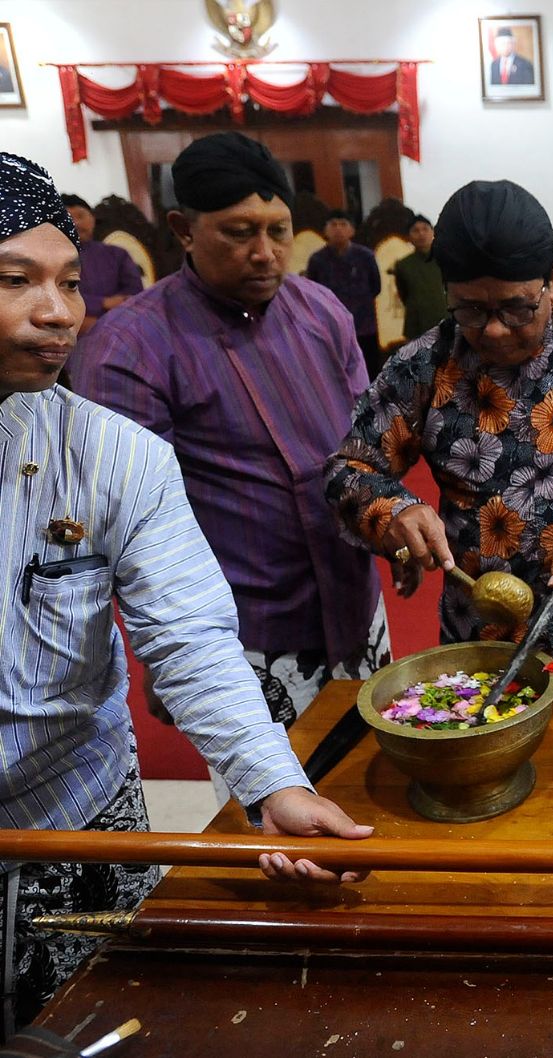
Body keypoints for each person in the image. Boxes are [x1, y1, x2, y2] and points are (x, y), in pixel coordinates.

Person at [0, 152, 372, 1034]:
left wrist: (273, 784)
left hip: (75, 823)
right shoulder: (138, 345)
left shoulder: (114, 455)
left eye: (66, 281)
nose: (56, 313)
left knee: (98, 1023)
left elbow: (191, 635)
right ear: (185, 233)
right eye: (16, 281)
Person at [72, 133, 386, 730]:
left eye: (279, 229)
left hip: (354, 604)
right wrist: (169, 659)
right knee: (273, 814)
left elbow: (362, 449)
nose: (266, 253)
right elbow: (128, 533)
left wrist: (386, 516)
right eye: (240, 233)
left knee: (377, 784)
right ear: (184, 229)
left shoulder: (322, 312)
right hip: (246, 637)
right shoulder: (128, 348)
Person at [327, 179, 553, 676]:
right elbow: (348, 469)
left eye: (517, 307)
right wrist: (394, 511)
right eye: (472, 310)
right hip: (477, 640)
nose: (494, 329)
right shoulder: (423, 365)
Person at [305, 209, 383, 376]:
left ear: (352, 230)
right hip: (330, 328)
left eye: (343, 224)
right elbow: (312, 293)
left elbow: (376, 288)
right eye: (333, 225)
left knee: (369, 372)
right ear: (325, 230)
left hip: (364, 325)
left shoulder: (366, 256)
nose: (338, 229)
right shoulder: (317, 260)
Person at [59, 193, 144, 335]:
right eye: (68, 218)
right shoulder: (53, 259)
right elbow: (61, 296)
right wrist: (103, 303)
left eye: (81, 216)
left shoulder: (117, 254)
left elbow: (135, 292)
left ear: (92, 218)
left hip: (123, 324)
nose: (76, 224)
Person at [392, 213, 446, 343]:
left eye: (425, 229)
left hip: (445, 319)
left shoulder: (446, 258)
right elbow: (404, 294)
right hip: (417, 323)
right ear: (409, 237)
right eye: (415, 231)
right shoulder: (403, 265)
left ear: (433, 232)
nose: (421, 234)